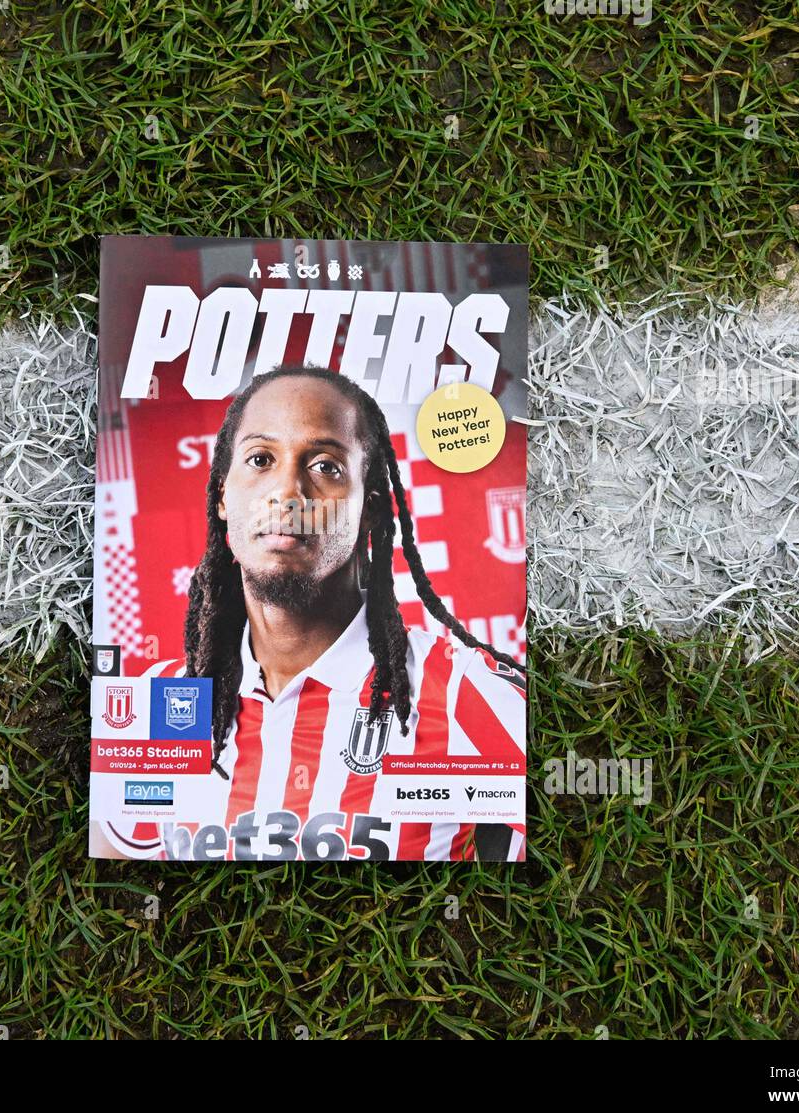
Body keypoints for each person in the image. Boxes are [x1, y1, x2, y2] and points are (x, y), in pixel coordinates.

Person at [90, 365, 526, 861]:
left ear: (370, 510)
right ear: (222, 499)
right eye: (260, 459)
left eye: (325, 466)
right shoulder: (155, 707)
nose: (289, 494)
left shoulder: (462, 692)